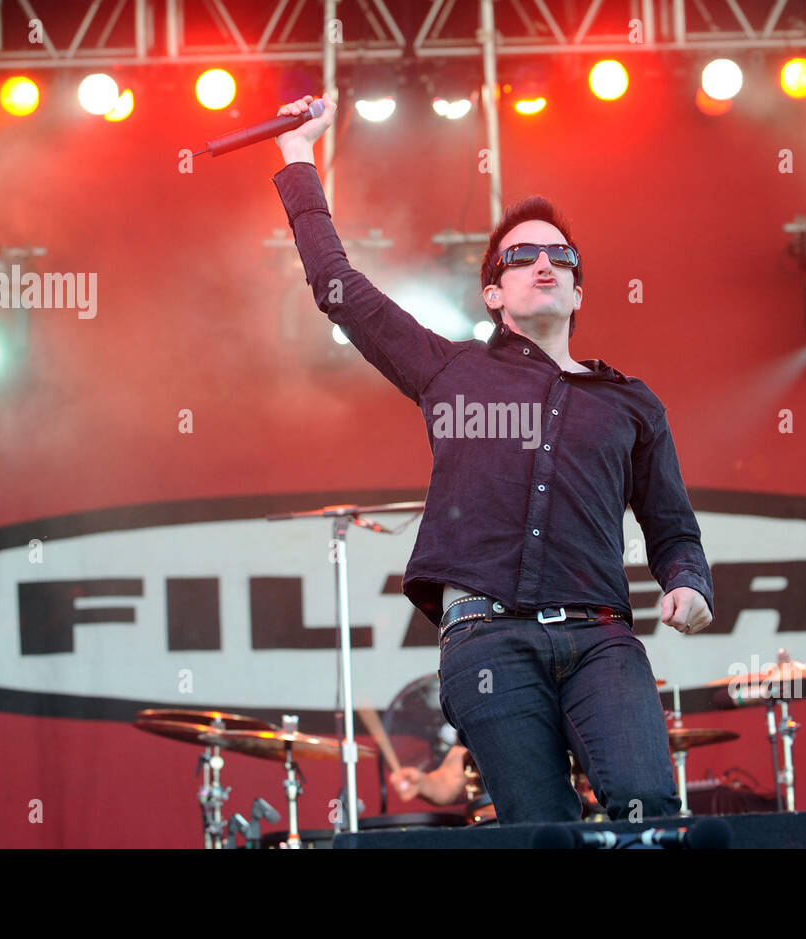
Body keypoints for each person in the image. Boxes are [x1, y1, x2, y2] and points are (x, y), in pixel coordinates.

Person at [272, 92, 714, 825]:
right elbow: (339, 289)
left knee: (651, 808)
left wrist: (688, 580)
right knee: (539, 825)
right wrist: (297, 157)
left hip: (601, 634)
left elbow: (672, 527)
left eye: (560, 256)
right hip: (487, 638)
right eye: (522, 255)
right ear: (493, 292)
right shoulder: (450, 370)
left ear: (577, 289)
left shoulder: (632, 403)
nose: (545, 262)